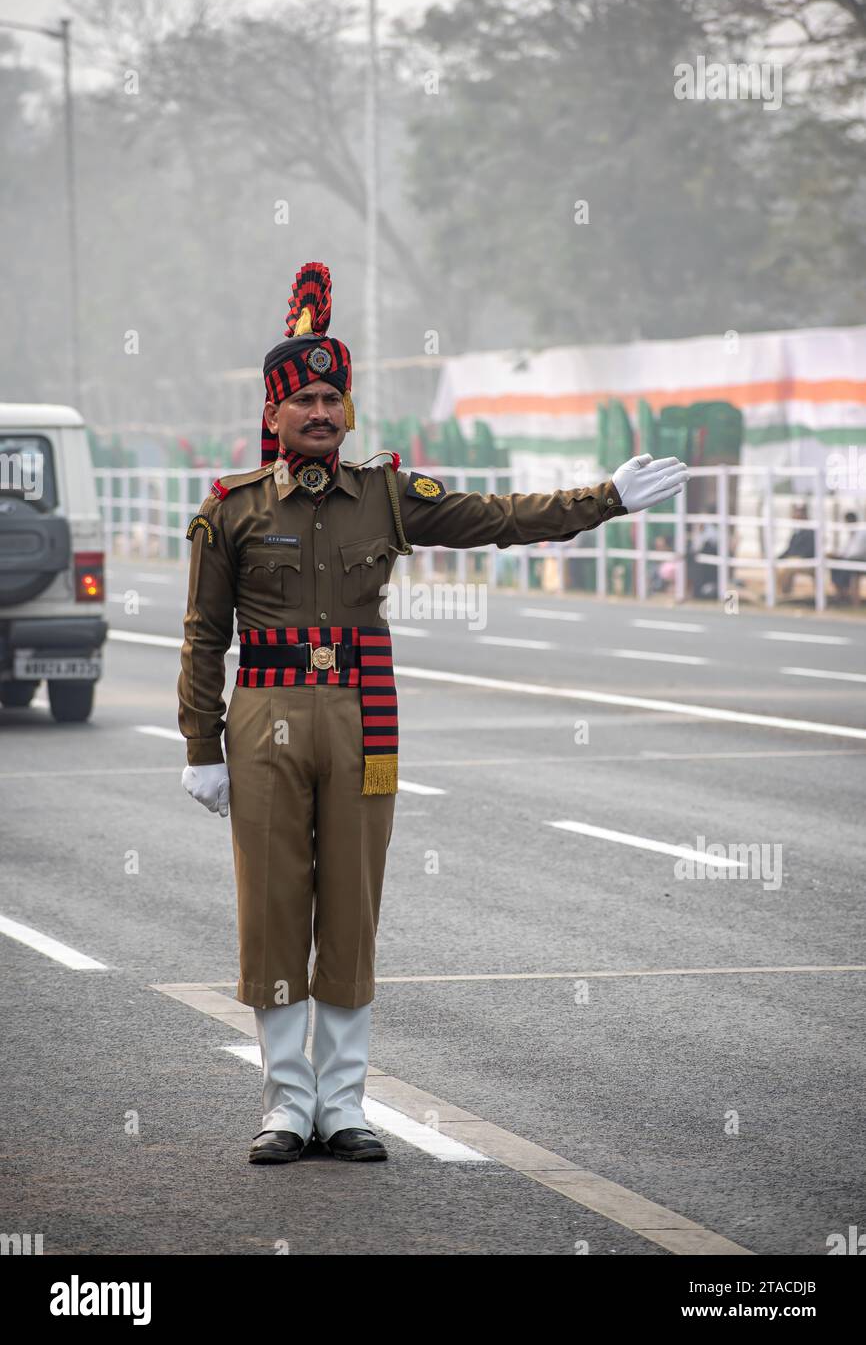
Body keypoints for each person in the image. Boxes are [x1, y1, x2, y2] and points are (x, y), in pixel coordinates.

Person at [177, 261, 689, 1166]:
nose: (322, 414)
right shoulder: (232, 511)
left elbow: (498, 516)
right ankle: (285, 1108)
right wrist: (200, 747)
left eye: (335, 398)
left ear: (351, 413)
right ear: (273, 414)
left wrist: (603, 499)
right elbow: (201, 635)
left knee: (353, 910)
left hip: (363, 716)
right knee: (273, 911)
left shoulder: (386, 495)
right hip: (262, 721)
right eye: (305, 401)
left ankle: (343, 1107)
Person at [776, 502, 815, 597]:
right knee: (777, 566)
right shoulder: (796, 531)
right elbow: (789, 549)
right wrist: (778, 558)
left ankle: (782, 594)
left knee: (785, 568)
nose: (795, 515)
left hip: (806, 561)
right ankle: (784, 593)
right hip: (794, 559)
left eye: (798, 513)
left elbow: (808, 551)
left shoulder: (810, 531)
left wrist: (792, 557)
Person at [830, 511, 866, 604]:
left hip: (859, 560)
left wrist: (843, 556)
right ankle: (841, 593)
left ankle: (847, 595)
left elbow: (858, 552)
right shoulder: (851, 534)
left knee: (847, 565)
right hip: (852, 559)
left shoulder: (862, 532)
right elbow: (847, 551)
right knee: (834, 565)